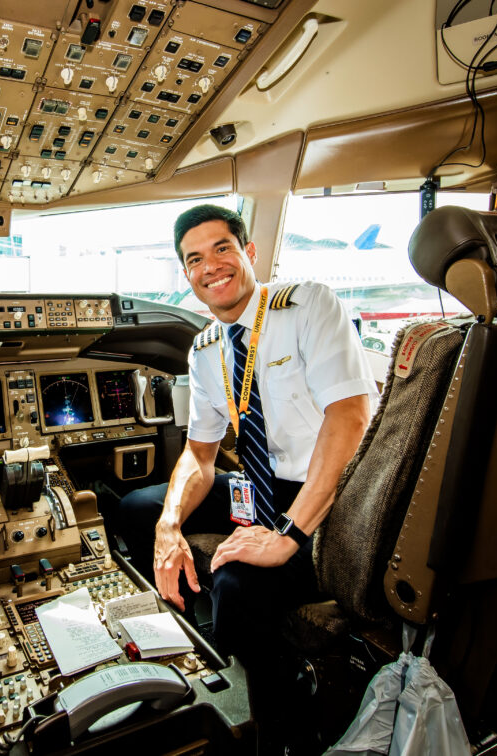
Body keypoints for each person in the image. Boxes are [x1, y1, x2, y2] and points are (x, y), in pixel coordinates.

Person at [119, 204, 376, 685]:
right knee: (138, 508)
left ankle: (259, 708)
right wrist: (170, 525)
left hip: (328, 499)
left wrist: (288, 536)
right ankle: (181, 635)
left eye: (222, 249)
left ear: (249, 252)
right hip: (258, 488)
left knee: (237, 585)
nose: (210, 267)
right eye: (195, 259)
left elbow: (350, 417)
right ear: (187, 273)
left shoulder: (308, 306)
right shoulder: (205, 349)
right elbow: (199, 454)